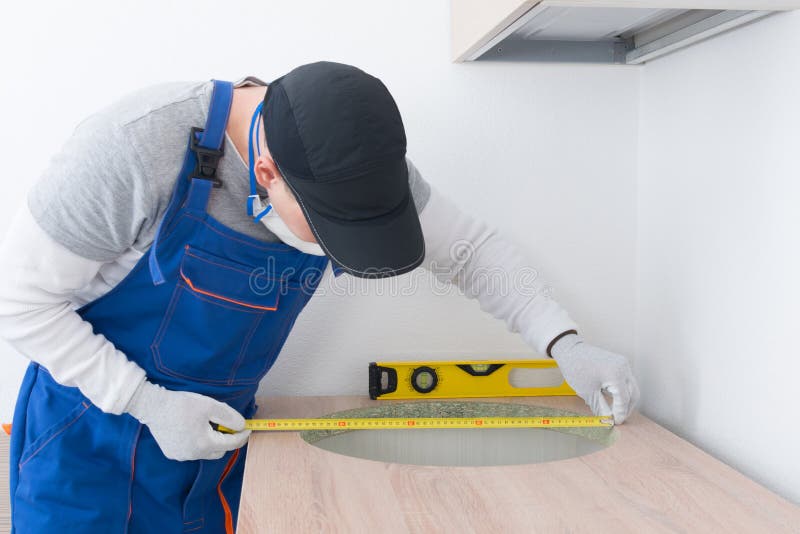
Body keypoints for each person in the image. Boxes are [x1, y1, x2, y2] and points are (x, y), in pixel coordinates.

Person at [0, 61, 640, 532]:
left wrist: (566, 343)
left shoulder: (355, 165)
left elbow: (471, 251)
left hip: (214, 452)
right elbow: (17, 303)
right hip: (85, 449)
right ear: (269, 174)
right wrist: (145, 403)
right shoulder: (136, 148)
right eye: (328, 237)